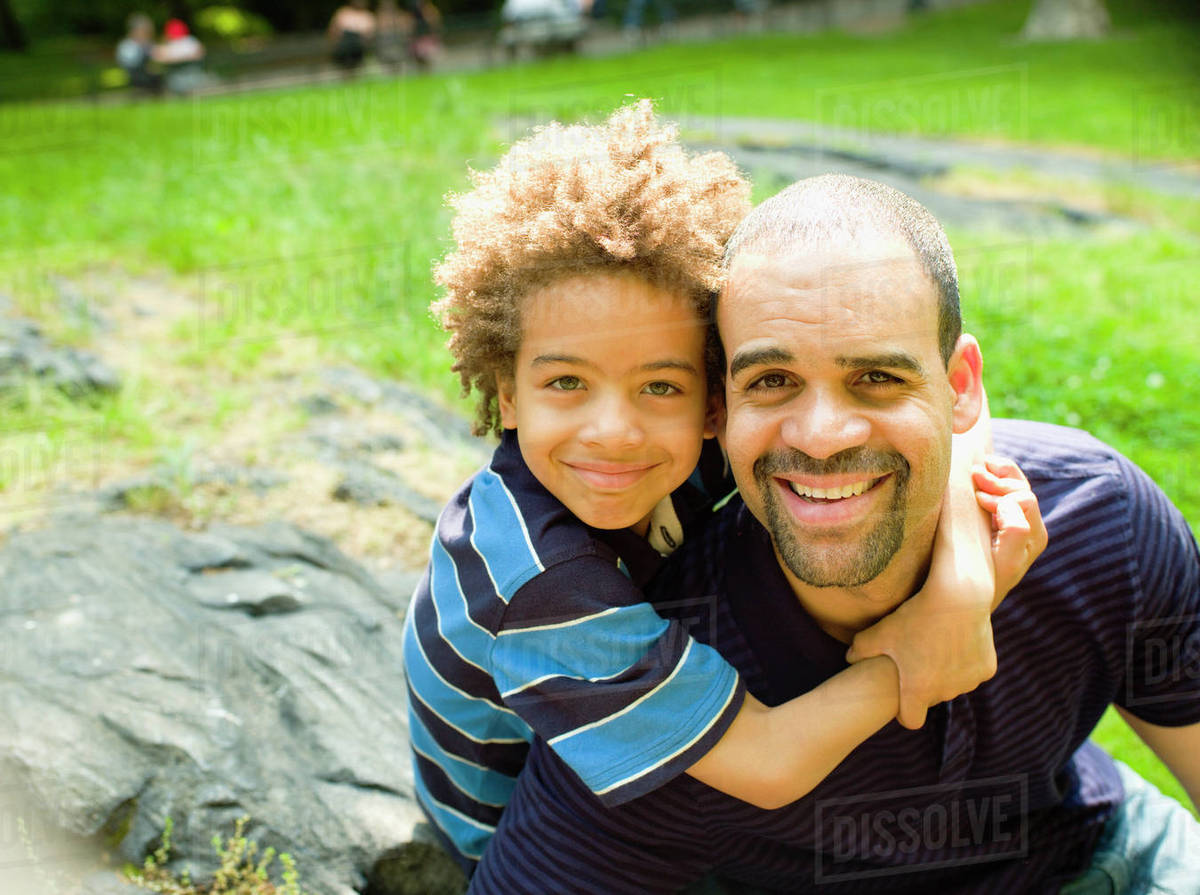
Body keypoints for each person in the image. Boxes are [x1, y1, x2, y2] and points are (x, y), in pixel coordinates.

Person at [468, 174, 1200, 893]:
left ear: (961, 388)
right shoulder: (647, 674)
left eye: (877, 376)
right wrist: (918, 647)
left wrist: (964, 581)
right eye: (773, 380)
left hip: (1102, 857)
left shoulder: (1094, 518)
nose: (821, 437)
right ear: (725, 408)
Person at [404, 105, 1045, 876]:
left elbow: (954, 419)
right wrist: (920, 649)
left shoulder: (689, 443)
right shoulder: (538, 582)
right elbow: (769, 761)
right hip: (524, 828)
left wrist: (964, 579)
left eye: (660, 385)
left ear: (717, 399)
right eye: (566, 381)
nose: (615, 430)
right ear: (507, 393)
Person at [157, 18, 207, 95]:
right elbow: (160, 57)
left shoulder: (189, 40)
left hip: (191, 71)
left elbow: (200, 53)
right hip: (175, 74)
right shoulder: (169, 44)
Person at [115, 13, 162, 95]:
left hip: (147, 75)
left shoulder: (147, 43)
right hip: (135, 76)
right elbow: (131, 64)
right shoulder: (127, 45)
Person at [328, 0, 376, 76]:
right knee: (349, 38)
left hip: (358, 46)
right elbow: (333, 31)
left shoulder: (368, 15)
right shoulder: (343, 12)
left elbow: (370, 36)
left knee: (353, 40)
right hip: (344, 45)